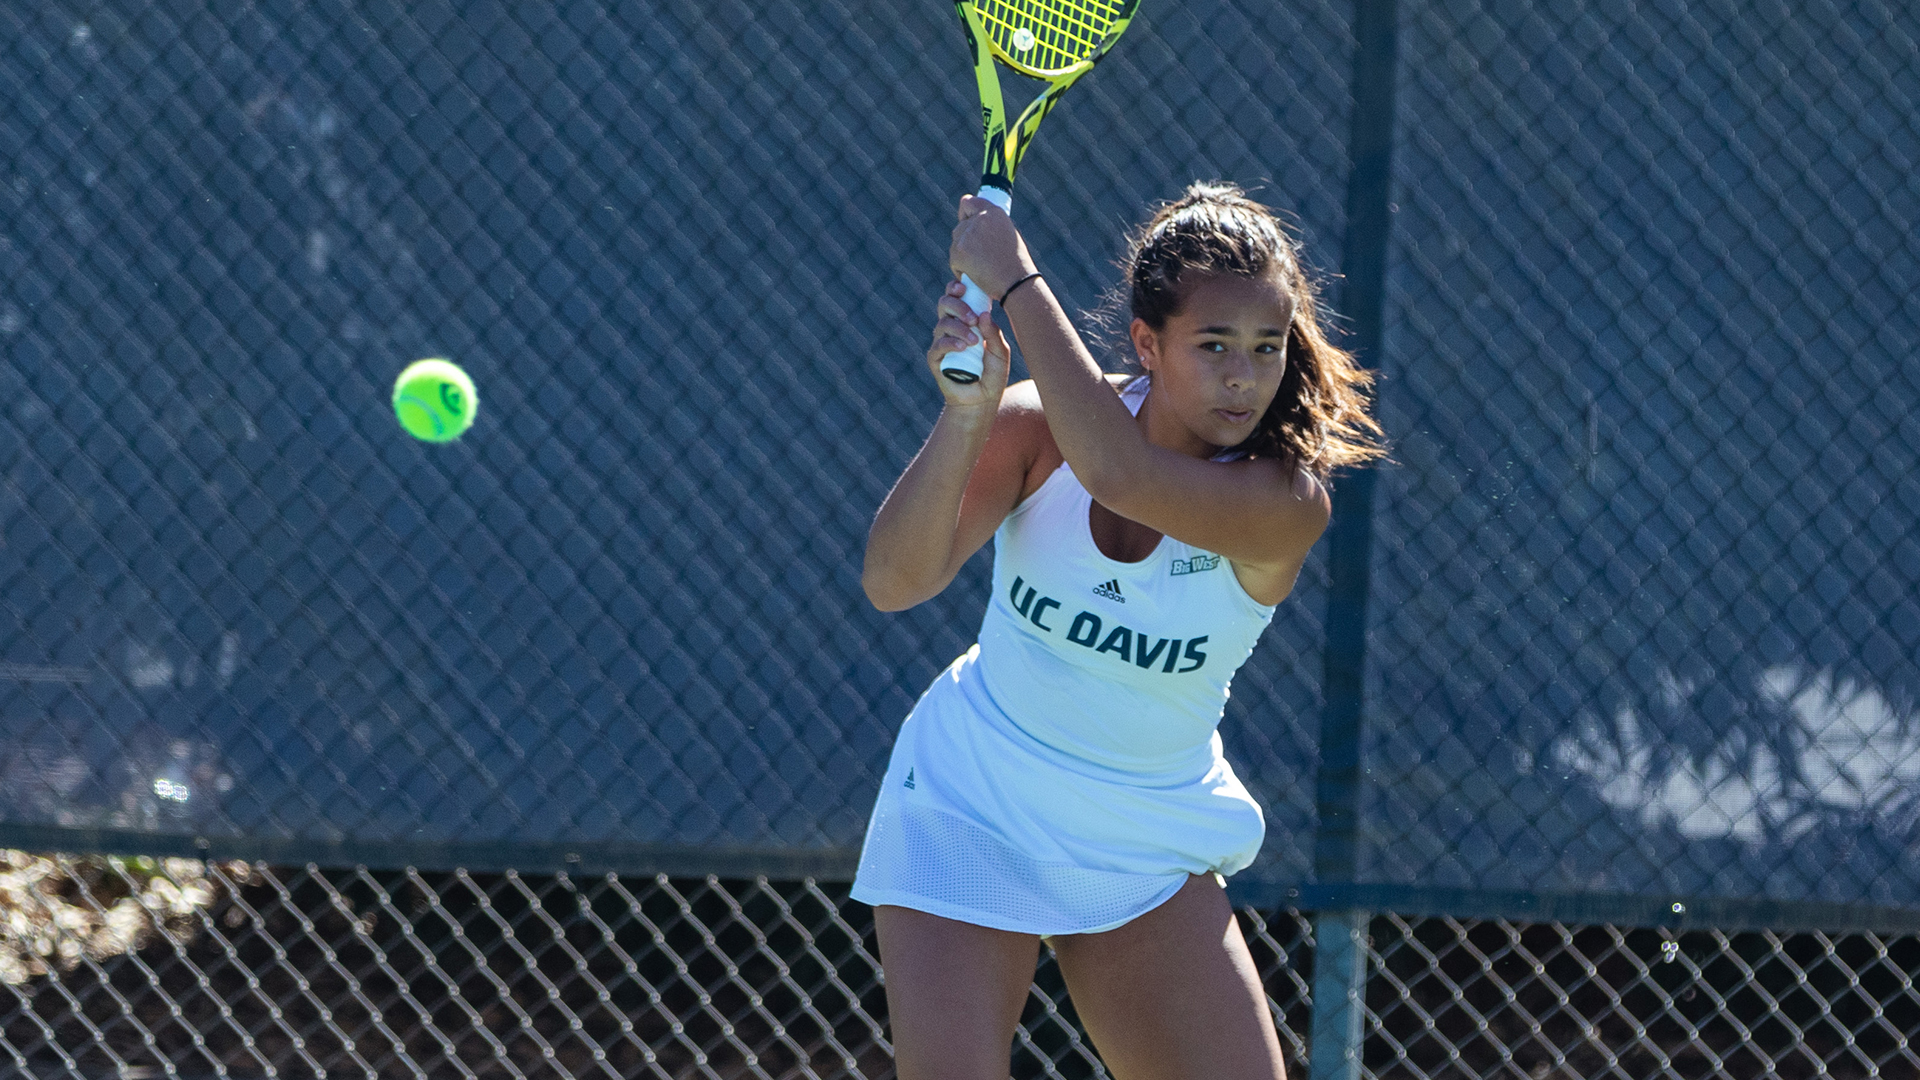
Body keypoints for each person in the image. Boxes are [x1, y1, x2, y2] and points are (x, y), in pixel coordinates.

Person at [852, 182, 1386, 1080]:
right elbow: (894, 581)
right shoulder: (1034, 428)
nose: (1242, 376)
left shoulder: (1284, 502)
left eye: (1265, 348)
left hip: (1146, 830)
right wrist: (970, 413)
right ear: (1147, 342)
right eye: (1213, 345)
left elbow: (1121, 474)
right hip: (968, 800)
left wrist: (1013, 276)